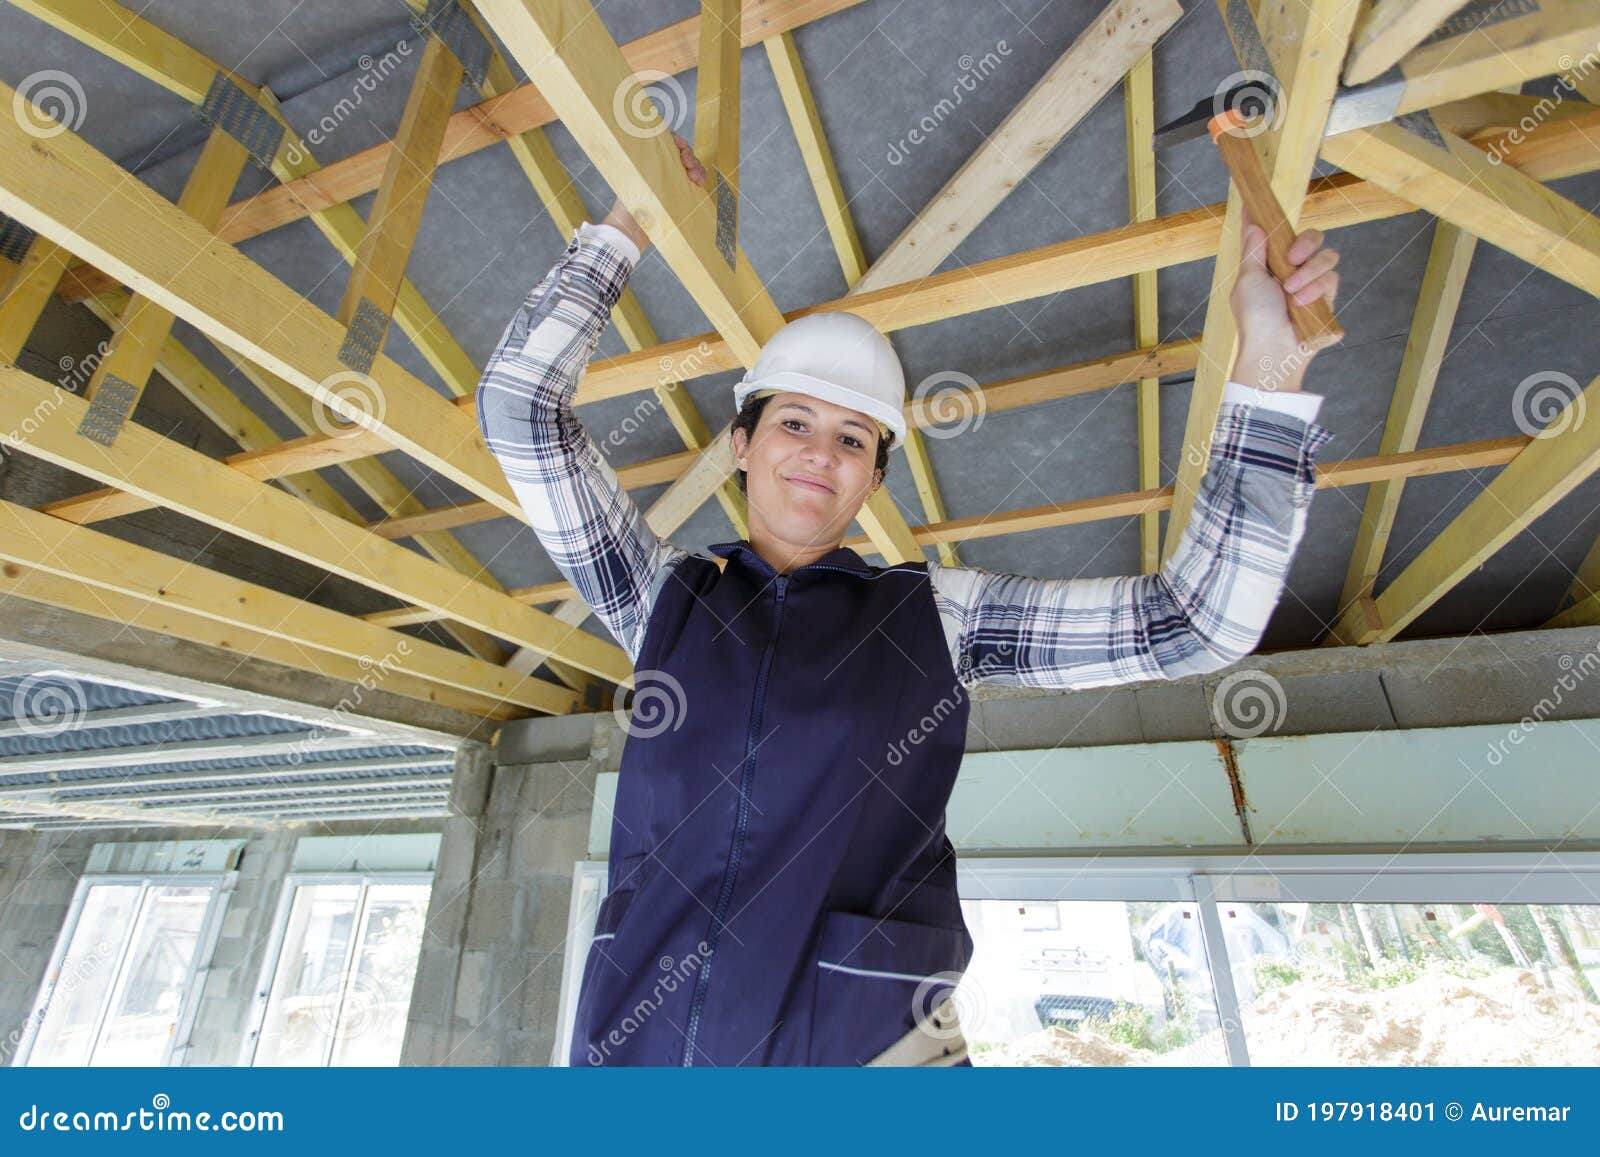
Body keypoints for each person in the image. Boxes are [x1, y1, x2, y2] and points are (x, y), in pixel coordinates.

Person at [476, 134, 1338, 1067]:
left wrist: (1269, 370)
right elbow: (520, 409)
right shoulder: (663, 606)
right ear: (742, 444)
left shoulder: (936, 617)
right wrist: (630, 222)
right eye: (795, 421)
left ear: (872, 481)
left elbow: (1194, 621)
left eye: (854, 439)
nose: (821, 451)